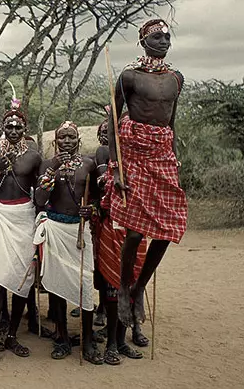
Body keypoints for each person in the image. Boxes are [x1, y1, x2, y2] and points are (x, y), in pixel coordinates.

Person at [108, 18, 187, 326]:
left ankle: (139, 287)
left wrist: (174, 157)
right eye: (157, 37)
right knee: (136, 232)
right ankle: (125, 285)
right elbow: (114, 123)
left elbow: (172, 122)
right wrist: (116, 168)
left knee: (169, 229)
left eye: (167, 36)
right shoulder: (129, 76)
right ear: (143, 41)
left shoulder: (176, 78)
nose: (164, 41)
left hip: (162, 153)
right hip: (133, 154)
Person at [0, 99, 42, 368]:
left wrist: (42, 221)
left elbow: (41, 194)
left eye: (18, 127)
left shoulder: (34, 157)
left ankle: (11, 335)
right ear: (3, 128)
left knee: (23, 282)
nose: (14, 131)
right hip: (0, 217)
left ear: (24, 129)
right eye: (9, 127)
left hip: (24, 219)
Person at [33, 121, 104, 363]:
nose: (66, 141)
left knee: (84, 283)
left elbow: (97, 198)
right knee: (56, 285)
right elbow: (40, 200)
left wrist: (91, 209)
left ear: (78, 140)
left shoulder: (89, 164)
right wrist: (52, 170)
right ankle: (62, 338)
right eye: (62, 137)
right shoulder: (47, 164)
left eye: (71, 137)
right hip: (55, 228)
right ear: (55, 141)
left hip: (79, 231)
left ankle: (87, 340)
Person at [94, 116, 149, 364]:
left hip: (134, 232)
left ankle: (123, 339)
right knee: (112, 289)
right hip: (110, 231)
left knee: (130, 284)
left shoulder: (145, 166)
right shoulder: (106, 163)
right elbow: (99, 197)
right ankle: (112, 345)